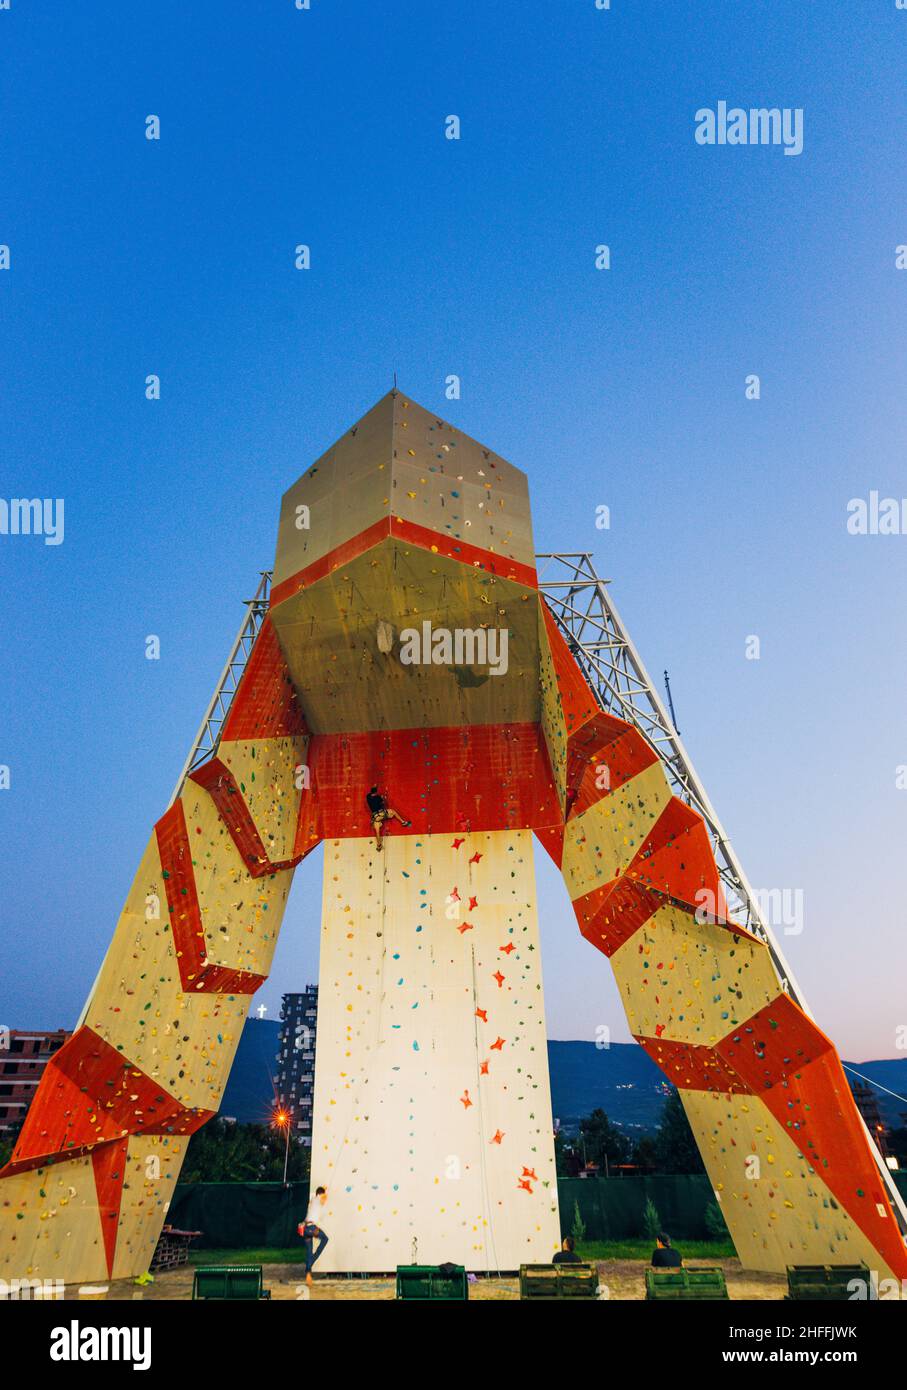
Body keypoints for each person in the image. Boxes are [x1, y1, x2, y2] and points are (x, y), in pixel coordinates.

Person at [298, 1186, 329, 1285]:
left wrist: (323, 1189)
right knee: (325, 1239)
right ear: (321, 1194)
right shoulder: (319, 1199)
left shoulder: (312, 1200)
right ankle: (310, 1262)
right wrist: (326, 1193)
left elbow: (320, 1196)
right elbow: (324, 1198)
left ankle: (308, 1274)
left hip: (305, 1228)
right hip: (311, 1228)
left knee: (308, 1251)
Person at [366, 785, 411, 850]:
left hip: (376, 817)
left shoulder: (368, 796)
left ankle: (379, 845)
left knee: (377, 831)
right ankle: (403, 822)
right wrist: (383, 798)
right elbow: (383, 803)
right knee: (393, 811)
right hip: (382, 814)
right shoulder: (378, 797)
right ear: (376, 792)